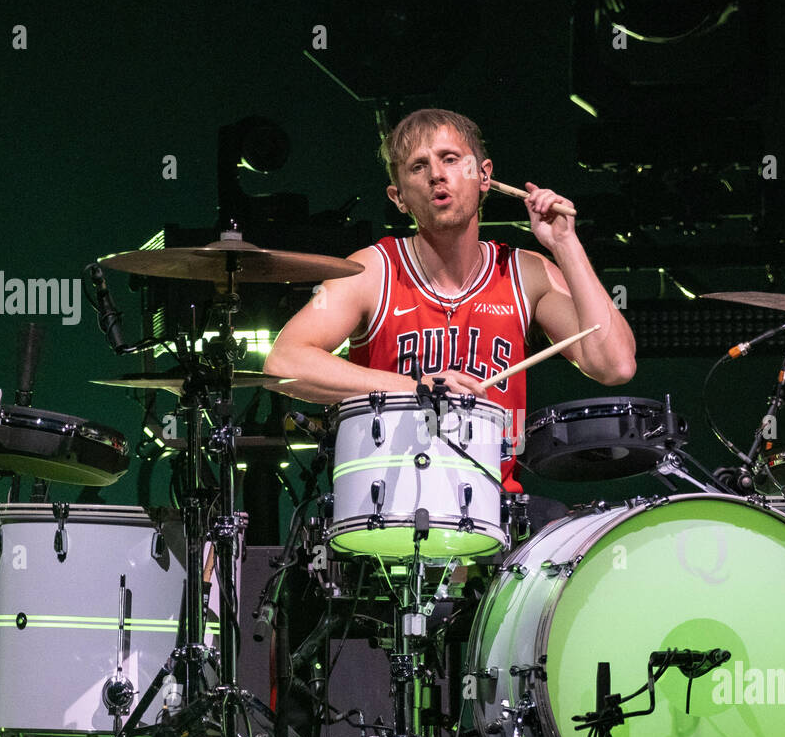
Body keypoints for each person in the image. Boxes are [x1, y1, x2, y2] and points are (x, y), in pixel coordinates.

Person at [265, 108, 636, 487]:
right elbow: (283, 362)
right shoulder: (374, 270)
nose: (437, 175)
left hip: (496, 515)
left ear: (484, 175)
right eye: (418, 167)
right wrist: (418, 387)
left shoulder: (526, 272)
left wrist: (565, 244)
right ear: (399, 198)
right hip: (384, 512)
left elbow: (615, 365)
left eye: (451, 159)